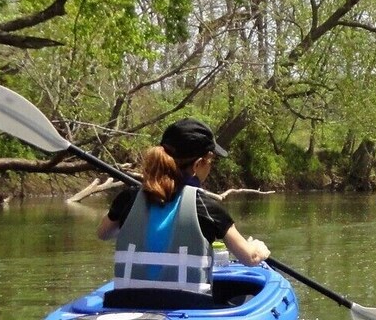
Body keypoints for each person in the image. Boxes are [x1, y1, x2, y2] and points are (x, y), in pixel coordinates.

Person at [97, 118, 271, 309]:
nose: (210, 167)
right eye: (210, 161)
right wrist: (259, 248)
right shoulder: (206, 206)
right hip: (188, 307)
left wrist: (132, 216)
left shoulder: (128, 198)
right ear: (197, 165)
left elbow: (103, 233)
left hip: (125, 304)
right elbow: (250, 258)